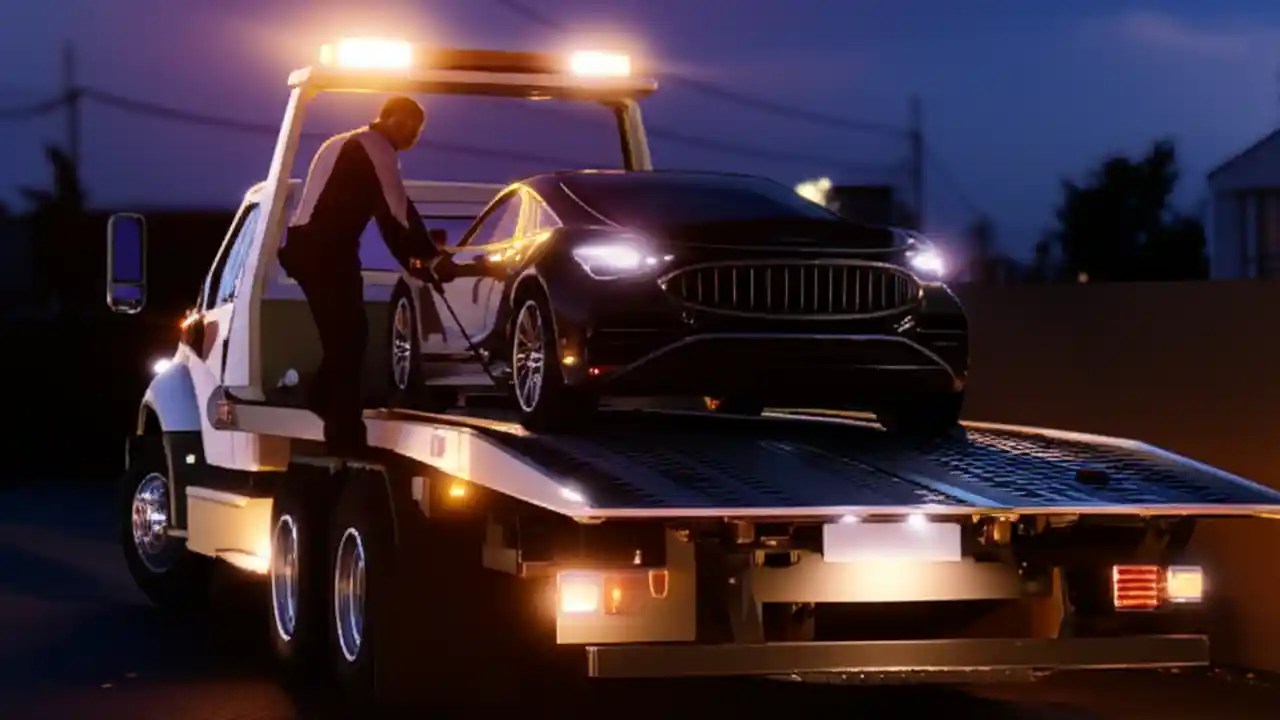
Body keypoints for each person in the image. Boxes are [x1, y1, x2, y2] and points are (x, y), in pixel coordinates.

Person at [278, 96, 454, 456]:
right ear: (385, 118)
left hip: (312, 249)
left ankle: (324, 400)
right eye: (404, 124)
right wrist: (428, 258)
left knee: (347, 335)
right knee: (348, 338)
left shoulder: (343, 142)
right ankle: (343, 432)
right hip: (325, 253)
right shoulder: (375, 147)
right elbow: (397, 213)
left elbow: (390, 214)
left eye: (416, 130)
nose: (410, 133)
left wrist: (415, 260)